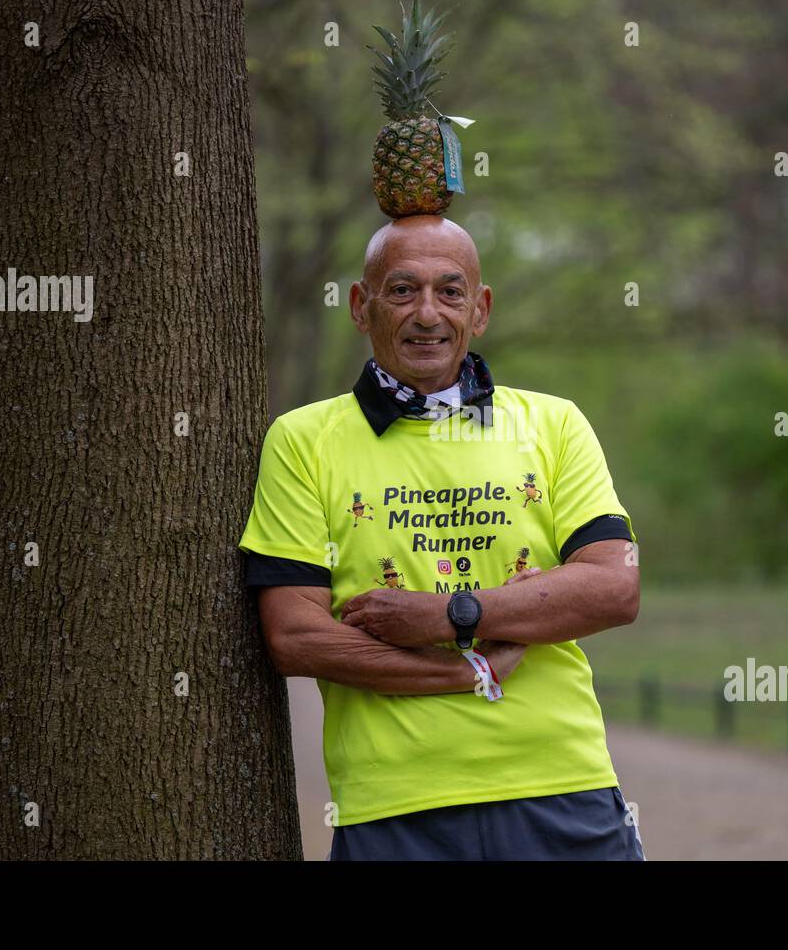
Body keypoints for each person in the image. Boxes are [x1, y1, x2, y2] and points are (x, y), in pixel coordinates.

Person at [238, 214, 644, 860]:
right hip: (393, 808)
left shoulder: (554, 424)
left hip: (563, 789)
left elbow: (615, 586)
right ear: (359, 306)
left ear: (479, 310)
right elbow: (293, 635)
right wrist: (468, 670)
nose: (427, 313)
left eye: (450, 292)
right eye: (402, 291)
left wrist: (448, 615)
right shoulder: (302, 441)